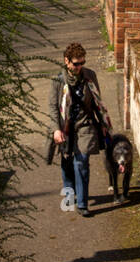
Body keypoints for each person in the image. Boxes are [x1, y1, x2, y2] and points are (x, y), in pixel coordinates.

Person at [47, 42, 112, 218]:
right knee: (67, 164)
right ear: (66, 61)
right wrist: (55, 130)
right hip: (65, 128)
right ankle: (69, 196)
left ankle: (82, 204)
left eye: (82, 62)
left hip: (86, 126)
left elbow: (98, 102)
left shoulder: (90, 76)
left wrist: (104, 125)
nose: (79, 67)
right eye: (76, 63)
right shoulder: (58, 80)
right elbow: (53, 107)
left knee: (81, 162)